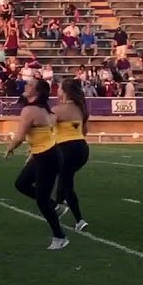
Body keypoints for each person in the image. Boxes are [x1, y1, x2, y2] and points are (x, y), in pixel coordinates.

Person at [5, 78, 67, 249]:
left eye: (30, 85)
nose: (25, 86)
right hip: (43, 154)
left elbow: (20, 136)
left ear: (37, 92)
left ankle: (60, 237)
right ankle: (55, 206)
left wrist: (10, 148)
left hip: (48, 156)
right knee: (22, 183)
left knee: (41, 199)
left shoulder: (30, 110)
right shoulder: (40, 108)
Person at [54, 78, 90, 231]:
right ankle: (58, 204)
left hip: (65, 149)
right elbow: (84, 131)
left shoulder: (57, 110)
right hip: (82, 149)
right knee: (64, 178)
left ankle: (79, 220)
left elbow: (47, 131)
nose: (57, 90)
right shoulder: (81, 108)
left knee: (67, 183)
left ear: (65, 92)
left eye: (59, 88)